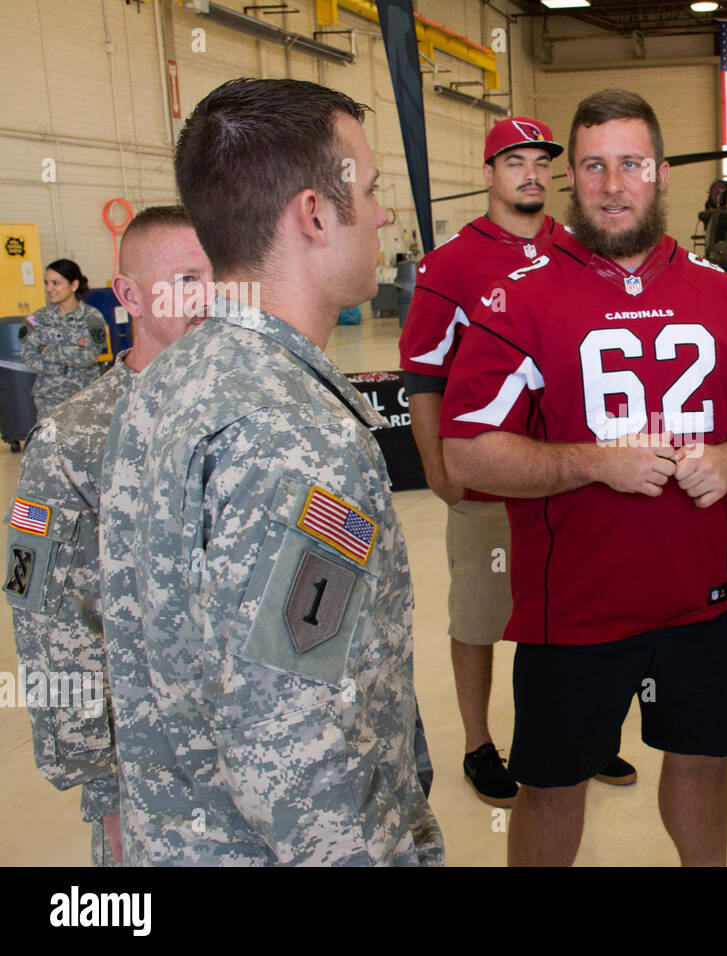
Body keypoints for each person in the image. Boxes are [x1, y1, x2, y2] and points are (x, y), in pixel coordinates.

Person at [440, 89, 727, 866]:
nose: (612, 184)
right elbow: (466, 449)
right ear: (572, 178)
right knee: (554, 784)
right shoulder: (521, 299)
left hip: (702, 597)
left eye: (630, 163)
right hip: (572, 610)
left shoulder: (724, 294)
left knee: (703, 760)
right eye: (593, 166)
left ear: (661, 173)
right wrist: (592, 462)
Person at [98, 78, 442, 865]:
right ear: (315, 214)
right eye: (374, 188)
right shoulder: (293, 431)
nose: (385, 214)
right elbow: (287, 737)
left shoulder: (168, 384)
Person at [398, 116, 635, 807]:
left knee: (580, 614)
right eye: (513, 161)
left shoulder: (582, 250)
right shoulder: (452, 266)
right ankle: (479, 742)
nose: (530, 173)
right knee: (479, 616)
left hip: (577, 475)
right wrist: (439, 469)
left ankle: (581, 736)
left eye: (540, 162)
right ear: (488, 172)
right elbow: (423, 377)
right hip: (494, 476)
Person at [5, 206, 212, 867]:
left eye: (216, 278)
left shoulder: (246, 413)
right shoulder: (69, 443)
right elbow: (39, 611)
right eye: (182, 279)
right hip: (150, 772)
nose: (204, 299)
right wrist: (102, 785)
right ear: (126, 296)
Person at [20, 259, 108, 420]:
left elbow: (88, 357)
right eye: (46, 283)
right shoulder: (37, 318)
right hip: (49, 399)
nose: (49, 288)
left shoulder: (93, 318)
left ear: (73, 285)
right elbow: (28, 355)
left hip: (85, 396)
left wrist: (46, 350)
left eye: (56, 283)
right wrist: (70, 354)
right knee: (50, 443)